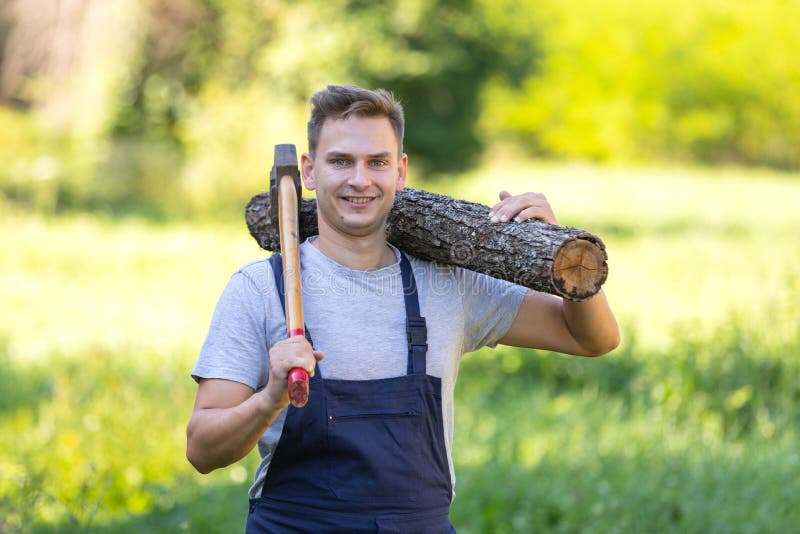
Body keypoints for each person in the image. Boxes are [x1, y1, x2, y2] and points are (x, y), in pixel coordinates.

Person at [186, 84, 619, 533]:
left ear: (401, 172)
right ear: (309, 172)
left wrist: (560, 253)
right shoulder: (260, 290)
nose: (360, 179)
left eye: (377, 162)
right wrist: (270, 399)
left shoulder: (448, 284)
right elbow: (201, 449)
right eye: (341, 161)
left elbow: (593, 339)